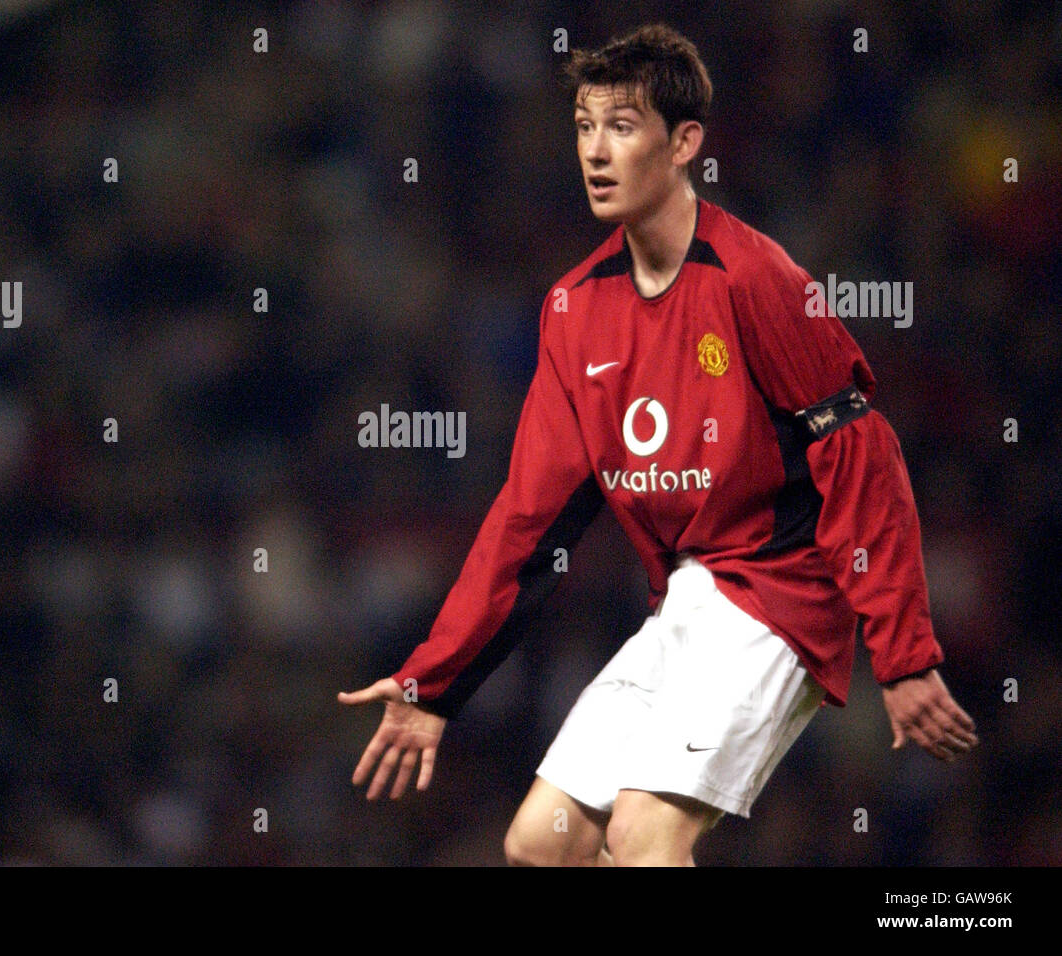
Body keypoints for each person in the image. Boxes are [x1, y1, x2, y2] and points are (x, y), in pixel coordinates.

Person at [338, 23, 978, 866]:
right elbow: (528, 520)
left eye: (623, 127)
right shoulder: (573, 308)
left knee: (645, 832)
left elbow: (864, 457)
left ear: (685, 143)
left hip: (783, 593)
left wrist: (902, 657)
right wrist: (436, 684)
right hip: (687, 598)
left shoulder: (756, 279)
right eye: (582, 126)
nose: (596, 152)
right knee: (541, 843)